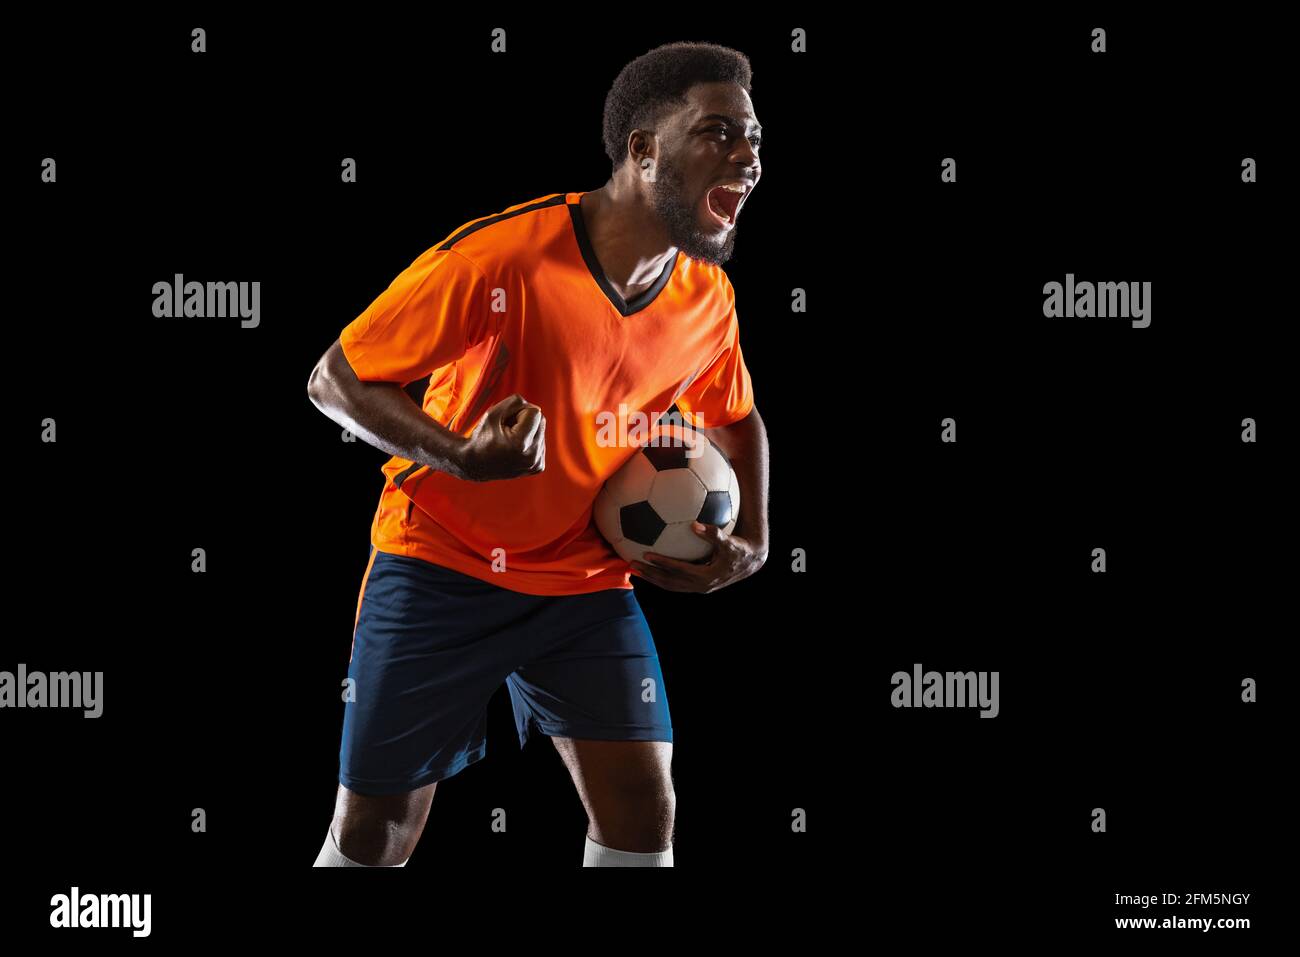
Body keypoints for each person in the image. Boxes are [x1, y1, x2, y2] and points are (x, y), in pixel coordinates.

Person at [306, 41, 770, 868]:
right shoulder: (503, 258)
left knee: (643, 809)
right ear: (643, 149)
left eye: (755, 139)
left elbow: (737, 419)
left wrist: (757, 537)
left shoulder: (707, 298)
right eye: (719, 133)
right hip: (439, 564)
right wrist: (459, 455)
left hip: (582, 578)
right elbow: (335, 379)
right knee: (376, 832)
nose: (747, 155)